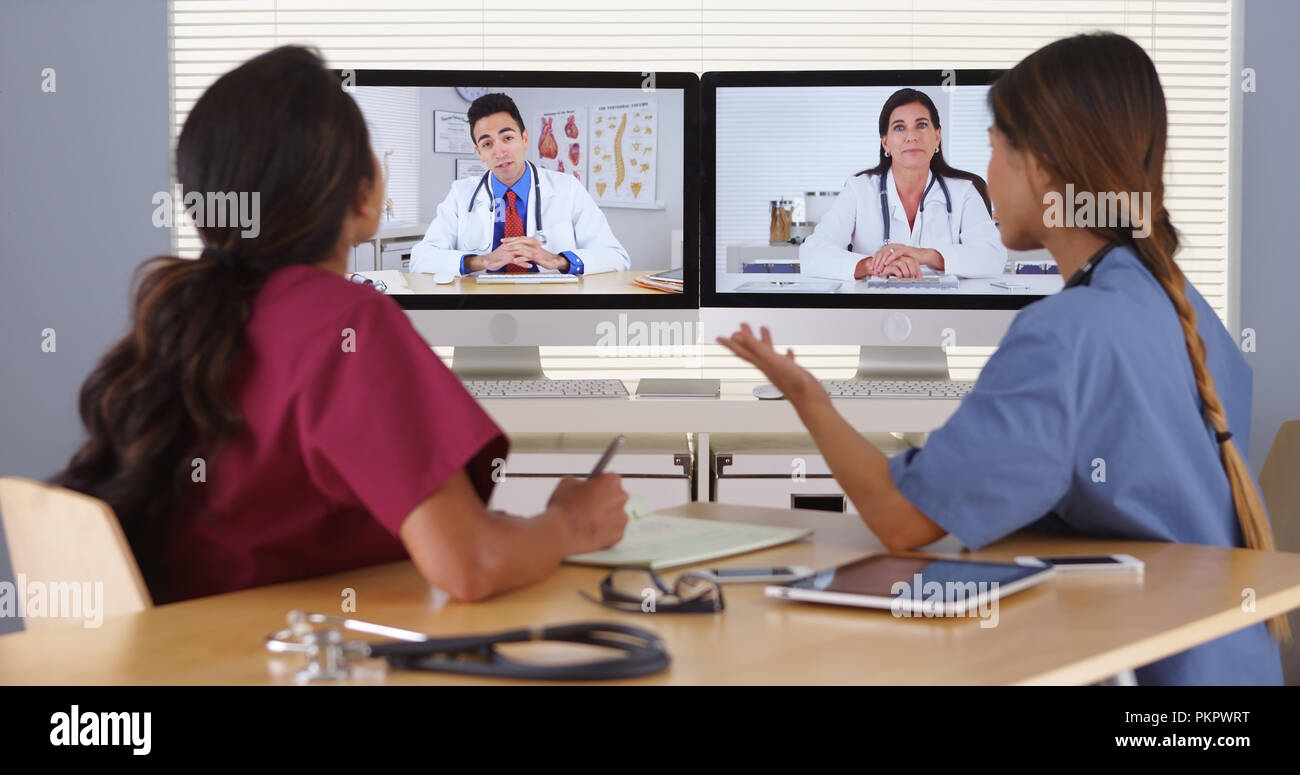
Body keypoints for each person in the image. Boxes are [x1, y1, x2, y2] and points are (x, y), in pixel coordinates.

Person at [719, 33, 1286, 685]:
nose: (986, 172)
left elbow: (900, 521)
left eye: (993, 148)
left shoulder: (1065, 335)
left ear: (1042, 166)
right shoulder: (1185, 307)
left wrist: (805, 394)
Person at [52, 46, 628, 605]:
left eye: (506, 137)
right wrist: (569, 523)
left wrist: (560, 260)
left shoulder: (182, 314)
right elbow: (469, 564)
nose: (498, 149)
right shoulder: (347, 323)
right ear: (362, 193)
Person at [409, 92, 630, 280]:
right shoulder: (461, 194)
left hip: (550, 305)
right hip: (481, 305)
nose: (499, 151)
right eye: (487, 144)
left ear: (524, 139)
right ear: (480, 153)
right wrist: (483, 261)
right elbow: (420, 258)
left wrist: (555, 260)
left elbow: (616, 256)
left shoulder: (567, 188)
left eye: (507, 138)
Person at [800, 88, 1007, 282]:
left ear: (937, 136)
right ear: (885, 142)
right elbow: (812, 253)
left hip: (944, 309)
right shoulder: (858, 190)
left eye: (922, 125)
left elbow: (994, 256)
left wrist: (923, 255)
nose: (911, 136)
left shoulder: (963, 191)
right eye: (899, 127)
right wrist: (872, 265)